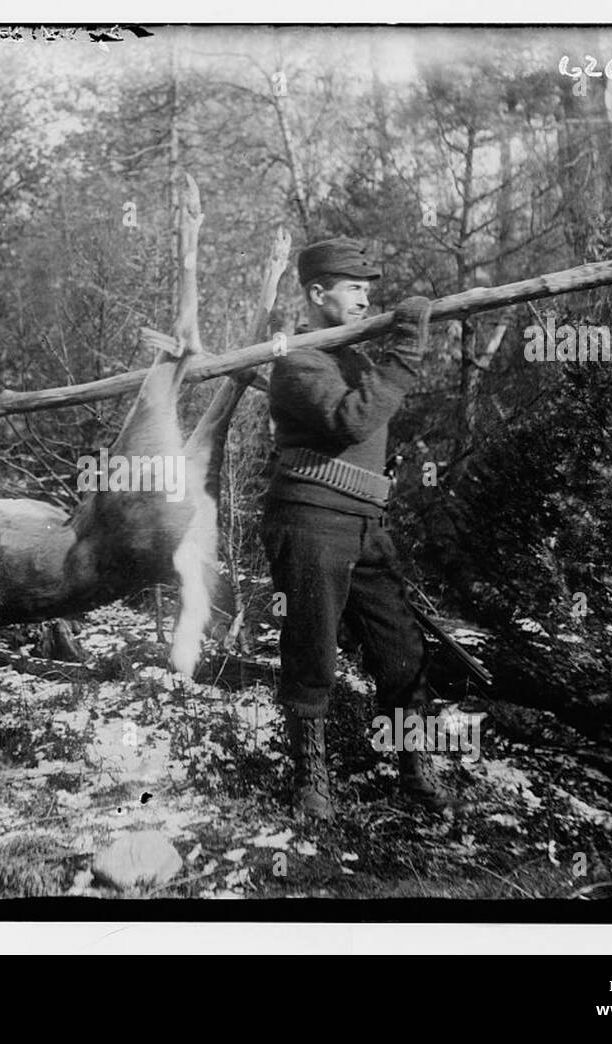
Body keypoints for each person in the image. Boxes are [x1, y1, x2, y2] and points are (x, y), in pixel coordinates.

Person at [262, 237, 456, 818]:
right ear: (317, 293)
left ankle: (413, 770)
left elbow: (377, 408)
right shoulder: (296, 359)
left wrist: (392, 358)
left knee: (401, 650)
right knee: (312, 649)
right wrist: (405, 354)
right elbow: (351, 419)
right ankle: (311, 781)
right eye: (353, 287)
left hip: (368, 521)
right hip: (311, 519)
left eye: (369, 289)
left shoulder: (357, 356)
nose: (365, 298)